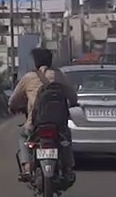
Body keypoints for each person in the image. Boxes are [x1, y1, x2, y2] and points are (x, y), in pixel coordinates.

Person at [8, 47, 78, 181]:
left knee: (24, 137)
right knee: (66, 139)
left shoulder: (28, 78)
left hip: (34, 124)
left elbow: (13, 101)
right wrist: (73, 103)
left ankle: (27, 167)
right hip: (58, 124)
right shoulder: (59, 75)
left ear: (35, 62)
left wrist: (13, 108)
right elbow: (73, 97)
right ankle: (68, 168)